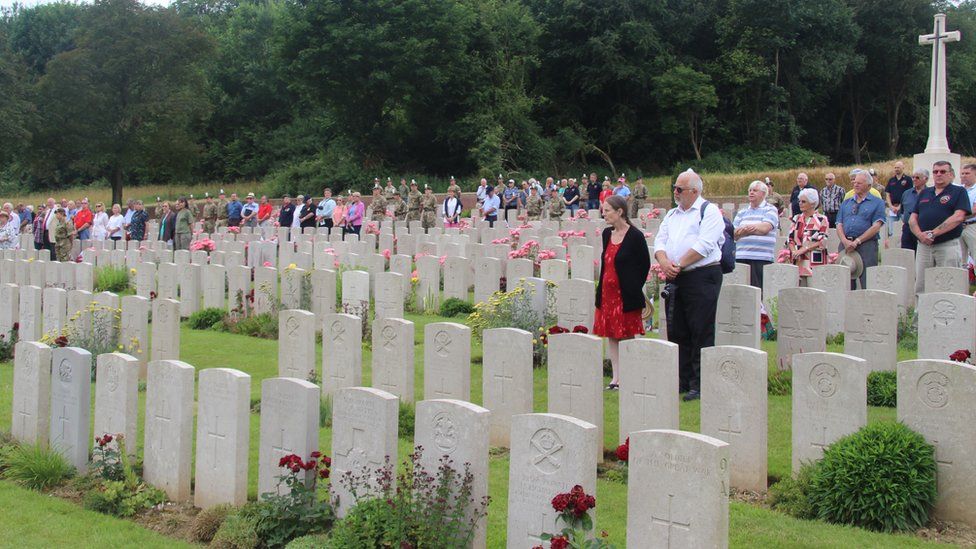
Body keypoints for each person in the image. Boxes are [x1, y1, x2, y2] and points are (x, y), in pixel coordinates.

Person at [654, 169, 724, 401]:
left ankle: (700, 383)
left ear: (694, 191)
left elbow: (705, 244)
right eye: (674, 188)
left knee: (700, 329)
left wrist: (679, 264)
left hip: (701, 275)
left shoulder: (708, 211)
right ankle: (682, 380)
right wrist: (665, 262)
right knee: (678, 329)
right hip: (676, 276)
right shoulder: (673, 214)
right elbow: (660, 240)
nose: (675, 192)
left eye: (679, 189)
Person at [594, 195, 651, 390]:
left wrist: (633, 287)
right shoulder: (606, 234)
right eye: (603, 210)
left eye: (607, 210)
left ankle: (628, 374)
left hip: (625, 295)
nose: (604, 214)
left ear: (620, 212)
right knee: (611, 334)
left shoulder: (635, 236)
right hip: (607, 294)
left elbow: (644, 265)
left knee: (626, 334)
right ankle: (616, 378)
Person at [909, 161, 970, 294]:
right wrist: (920, 235)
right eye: (935, 171)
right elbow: (913, 218)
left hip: (947, 245)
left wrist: (933, 233)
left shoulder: (958, 192)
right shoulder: (925, 192)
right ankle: (919, 313)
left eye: (943, 171)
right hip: (924, 246)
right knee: (921, 284)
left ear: (951, 174)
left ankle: (949, 313)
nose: (938, 174)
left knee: (948, 283)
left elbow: (959, 216)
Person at [836, 170, 885, 290]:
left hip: (866, 245)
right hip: (846, 244)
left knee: (867, 281)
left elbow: (876, 226)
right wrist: (844, 240)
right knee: (845, 282)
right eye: (854, 182)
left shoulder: (877, 203)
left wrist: (858, 241)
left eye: (859, 183)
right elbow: (839, 223)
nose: (855, 185)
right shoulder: (846, 202)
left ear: (869, 186)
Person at [732, 180, 779, 291]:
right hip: (741, 256)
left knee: (758, 293)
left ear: (763, 194)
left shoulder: (770, 209)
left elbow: (765, 228)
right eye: (750, 190)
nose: (751, 193)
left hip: (761, 258)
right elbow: (733, 233)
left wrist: (744, 230)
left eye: (755, 190)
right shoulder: (742, 212)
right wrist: (751, 229)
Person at [788, 188, 830, 283]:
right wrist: (794, 251)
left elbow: (822, 240)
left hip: (814, 261)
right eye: (799, 201)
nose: (800, 203)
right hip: (797, 261)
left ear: (812, 203)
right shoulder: (797, 218)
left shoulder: (821, 219)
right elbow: (790, 238)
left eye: (803, 201)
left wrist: (803, 249)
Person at [900, 169, 928, 252]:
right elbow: (902, 211)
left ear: (925, 179)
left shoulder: (930, 193)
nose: (914, 179)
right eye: (913, 177)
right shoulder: (906, 193)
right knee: (906, 253)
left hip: (923, 228)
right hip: (907, 229)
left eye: (917, 177)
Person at [885, 161, 913, 237]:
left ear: (903, 168)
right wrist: (890, 206)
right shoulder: (891, 180)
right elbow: (887, 194)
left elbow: (909, 194)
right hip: (893, 207)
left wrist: (900, 207)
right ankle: (890, 239)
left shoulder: (908, 179)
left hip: (904, 208)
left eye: (898, 167)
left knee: (906, 224)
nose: (896, 169)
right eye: (895, 167)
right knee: (890, 226)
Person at [957, 164, 976, 264]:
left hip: (972, 226)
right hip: (957, 226)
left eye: (967, 173)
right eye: (962, 173)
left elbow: (974, 210)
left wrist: (958, 217)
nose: (964, 176)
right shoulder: (958, 189)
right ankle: (962, 279)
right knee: (959, 258)